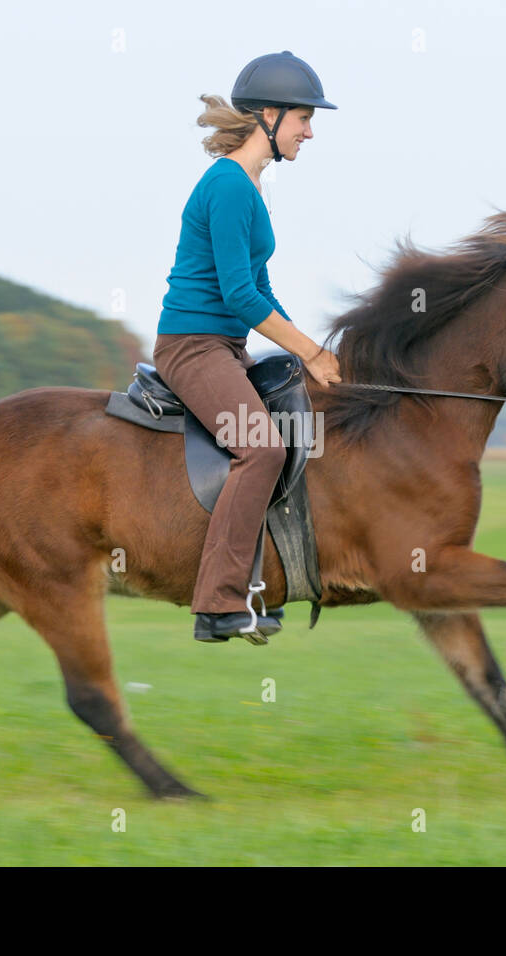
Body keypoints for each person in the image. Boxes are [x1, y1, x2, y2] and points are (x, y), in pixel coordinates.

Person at [153, 51, 342, 645]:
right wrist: (309, 351)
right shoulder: (230, 185)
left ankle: (267, 585)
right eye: (303, 119)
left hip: (227, 347)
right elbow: (237, 295)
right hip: (193, 347)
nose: (309, 132)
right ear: (269, 116)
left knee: (297, 425)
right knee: (259, 450)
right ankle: (217, 604)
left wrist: (315, 353)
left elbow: (260, 291)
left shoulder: (250, 185)